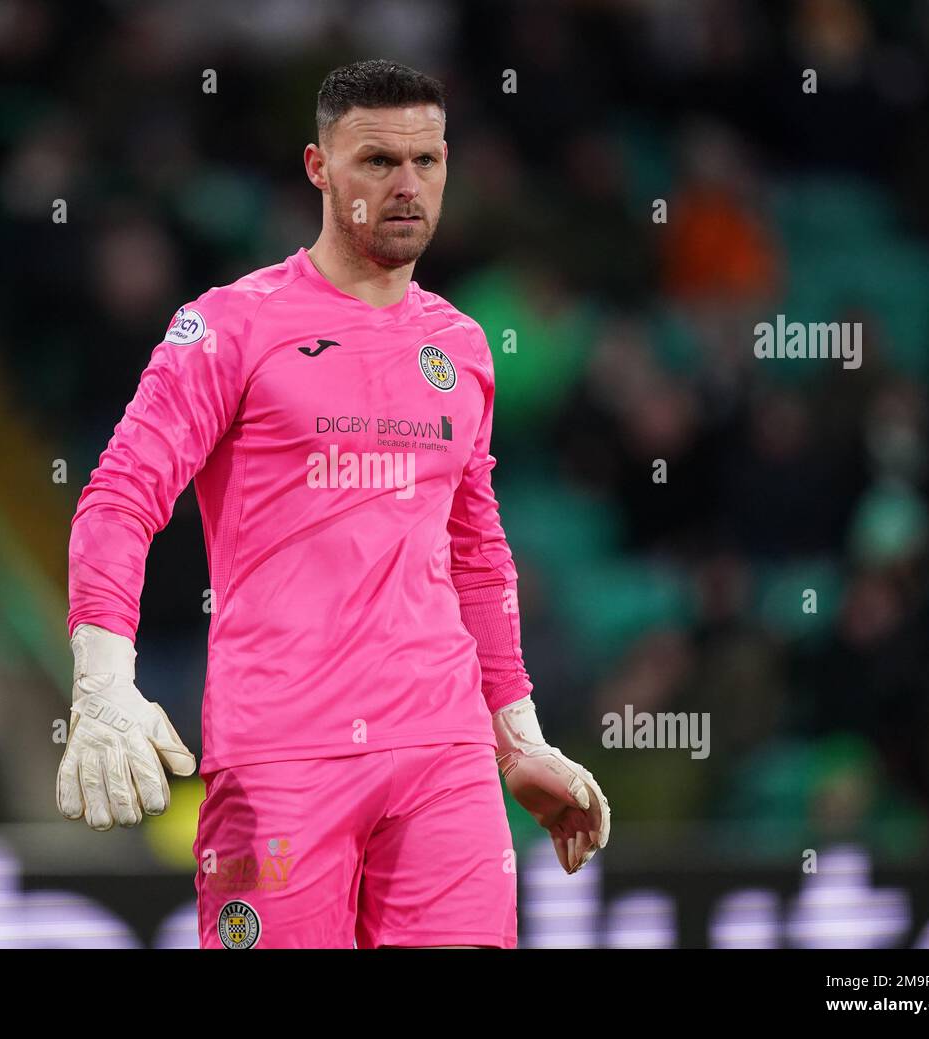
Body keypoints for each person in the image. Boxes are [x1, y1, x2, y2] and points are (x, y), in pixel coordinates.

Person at [59, 58, 609, 949]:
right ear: (319, 168)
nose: (407, 186)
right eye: (378, 161)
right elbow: (120, 495)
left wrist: (518, 733)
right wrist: (101, 682)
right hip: (281, 759)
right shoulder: (228, 327)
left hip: (444, 757)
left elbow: (477, 551)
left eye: (427, 162)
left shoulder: (460, 345)